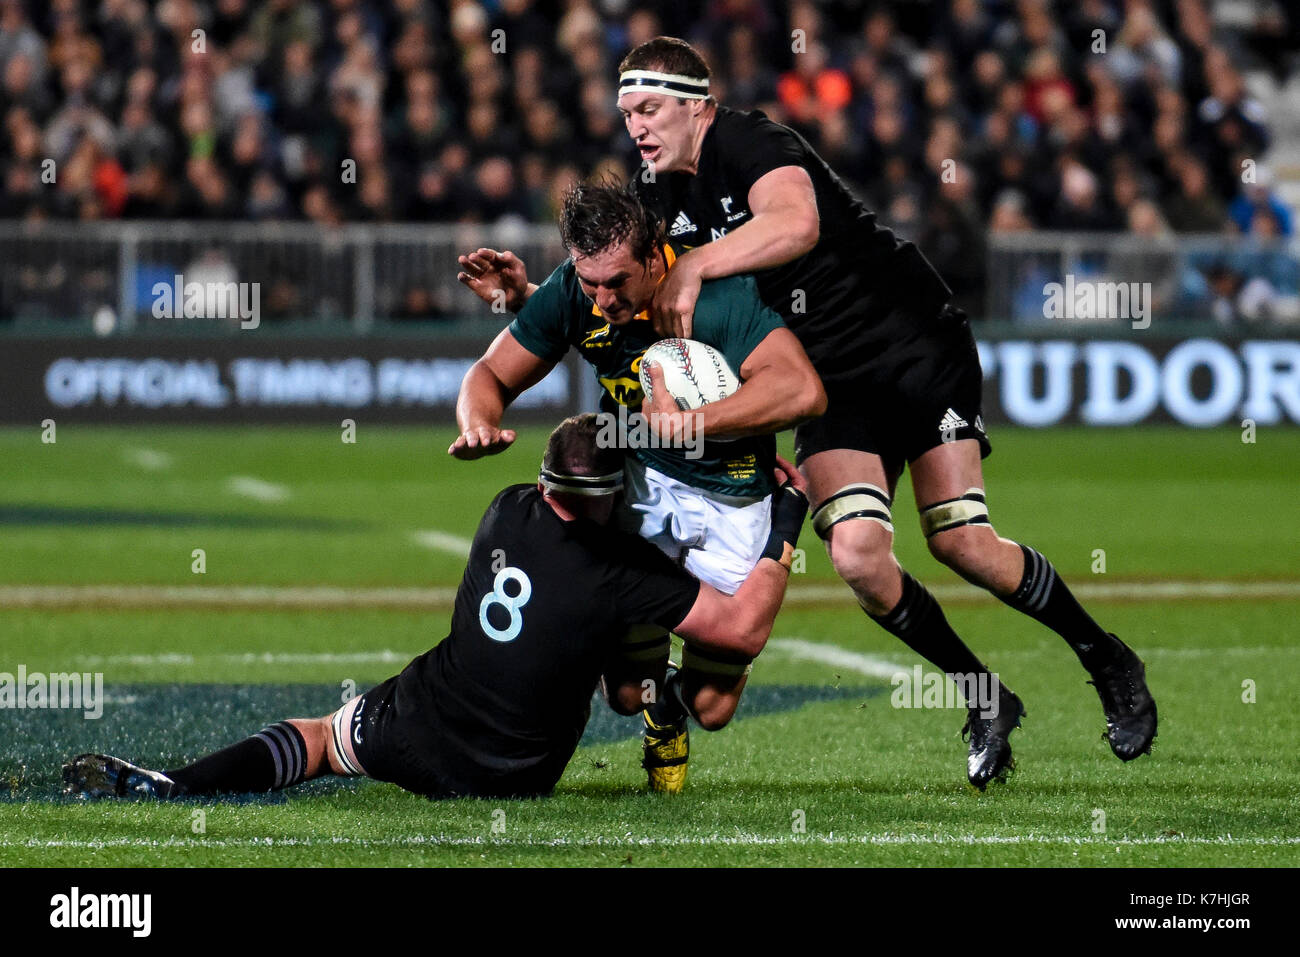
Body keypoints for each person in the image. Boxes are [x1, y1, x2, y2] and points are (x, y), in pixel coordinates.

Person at [614, 36, 1156, 788]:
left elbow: (796, 223)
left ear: (695, 105)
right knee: (859, 558)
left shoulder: (748, 139)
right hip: (830, 378)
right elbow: (619, 281)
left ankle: (1105, 656)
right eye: (626, 112)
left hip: (912, 343)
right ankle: (985, 697)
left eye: (648, 108)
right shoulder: (657, 195)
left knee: (961, 541)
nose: (636, 126)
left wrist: (701, 262)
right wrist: (535, 290)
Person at [62, 414, 809, 802]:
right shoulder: (623, 569)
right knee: (654, 669)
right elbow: (741, 626)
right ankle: (664, 704)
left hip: (418, 727)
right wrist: (783, 520)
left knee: (322, 739)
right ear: (611, 496)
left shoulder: (505, 507)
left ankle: (182, 786)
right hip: (518, 771)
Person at [452, 181, 825, 793]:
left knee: (713, 707)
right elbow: (491, 371)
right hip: (639, 488)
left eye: (617, 283)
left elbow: (804, 391)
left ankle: (678, 704)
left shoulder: (717, 300)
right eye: (588, 281)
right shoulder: (576, 293)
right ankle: (656, 707)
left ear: (655, 256)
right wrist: (479, 422)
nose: (601, 300)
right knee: (627, 694)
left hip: (734, 497)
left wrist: (690, 424)